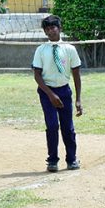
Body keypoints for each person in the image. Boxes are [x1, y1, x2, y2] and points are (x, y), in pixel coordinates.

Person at [31, 15, 83, 172]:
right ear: (45, 32)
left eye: (53, 27)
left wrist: (78, 99)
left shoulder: (69, 49)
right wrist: (50, 94)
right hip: (47, 91)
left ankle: (72, 159)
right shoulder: (41, 50)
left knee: (68, 127)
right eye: (47, 29)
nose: (51, 31)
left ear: (59, 28)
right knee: (52, 126)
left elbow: (76, 74)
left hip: (64, 90)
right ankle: (52, 160)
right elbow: (37, 75)